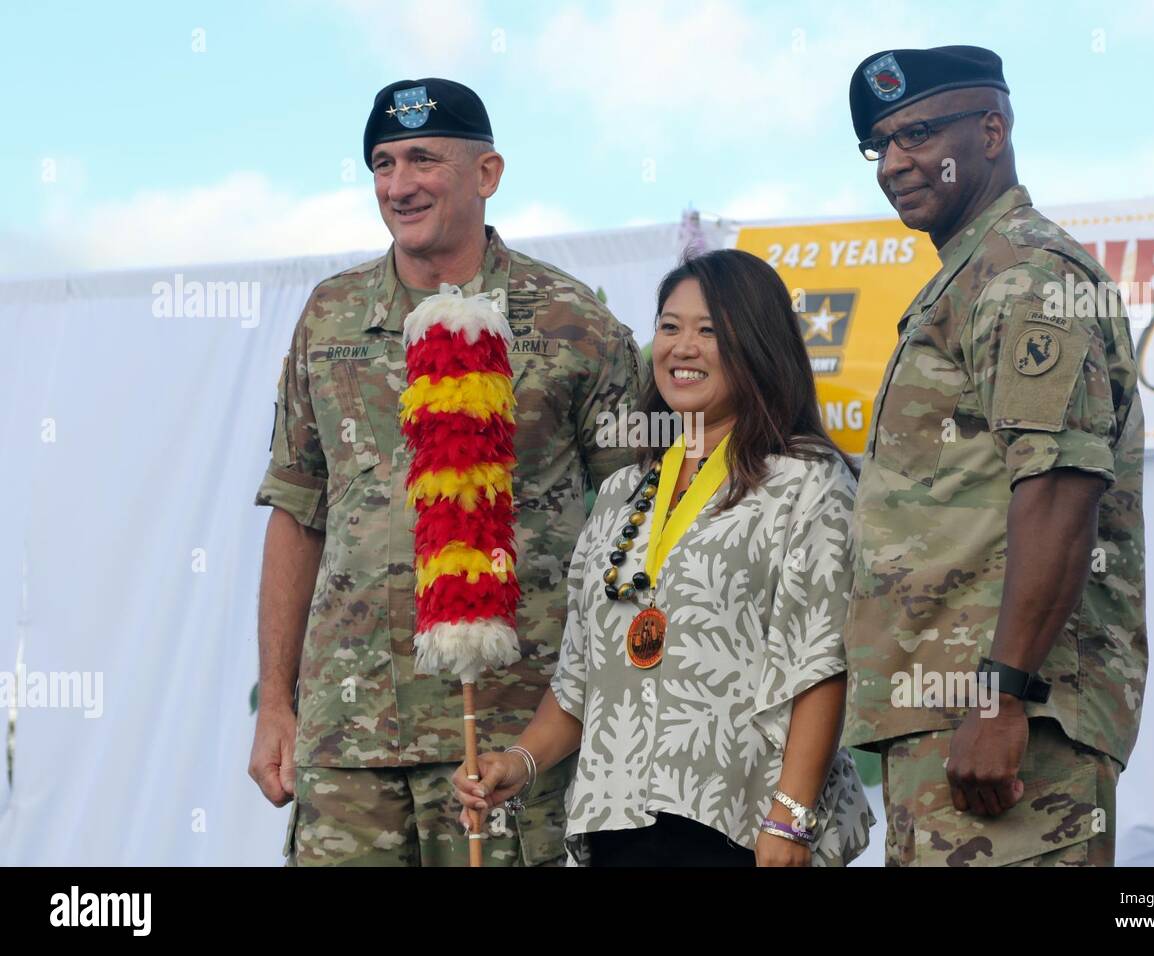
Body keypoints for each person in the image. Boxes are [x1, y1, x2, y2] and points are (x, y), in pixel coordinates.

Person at [248, 77, 646, 866]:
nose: (400, 185)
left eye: (424, 159)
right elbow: (298, 512)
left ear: (486, 174)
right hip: (350, 732)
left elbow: (638, 518)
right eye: (383, 164)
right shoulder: (330, 315)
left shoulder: (571, 320)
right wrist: (277, 703)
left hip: (511, 736)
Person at [452, 249, 874, 866]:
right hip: (616, 826)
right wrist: (517, 763)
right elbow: (579, 681)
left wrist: (792, 819)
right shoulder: (625, 491)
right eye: (670, 328)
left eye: (709, 331)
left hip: (742, 826)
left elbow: (821, 663)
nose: (682, 347)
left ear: (757, 345)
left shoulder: (807, 482)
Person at [842, 45, 1146, 866]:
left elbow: (1058, 488)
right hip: (946, 723)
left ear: (991, 129)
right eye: (880, 145)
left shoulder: (1025, 274)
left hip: (1010, 728)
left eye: (917, 134)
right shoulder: (973, 276)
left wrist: (1003, 695)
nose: (896, 163)